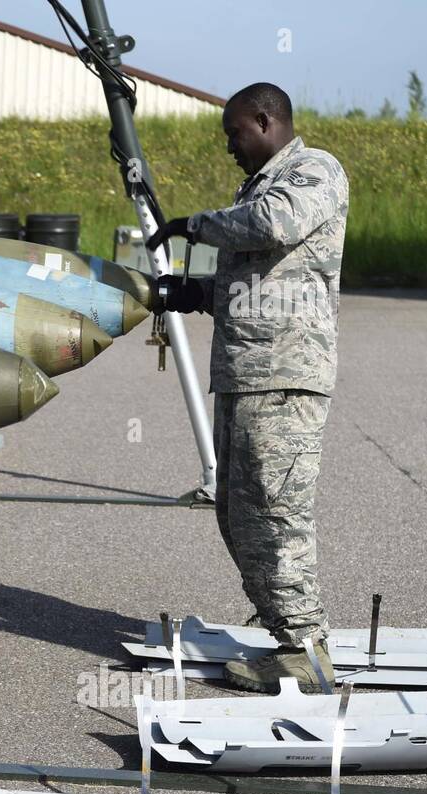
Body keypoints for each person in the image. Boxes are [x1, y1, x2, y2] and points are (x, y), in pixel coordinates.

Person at [148, 82, 349, 692]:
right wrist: (197, 293)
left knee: (277, 514)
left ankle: (306, 651)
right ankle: (286, 633)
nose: (230, 146)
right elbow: (257, 282)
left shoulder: (313, 173)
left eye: (235, 133)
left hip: (284, 380)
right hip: (244, 378)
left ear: (265, 121)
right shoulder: (256, 188)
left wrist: (193, 225)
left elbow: (272, 226)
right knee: (239, 515)